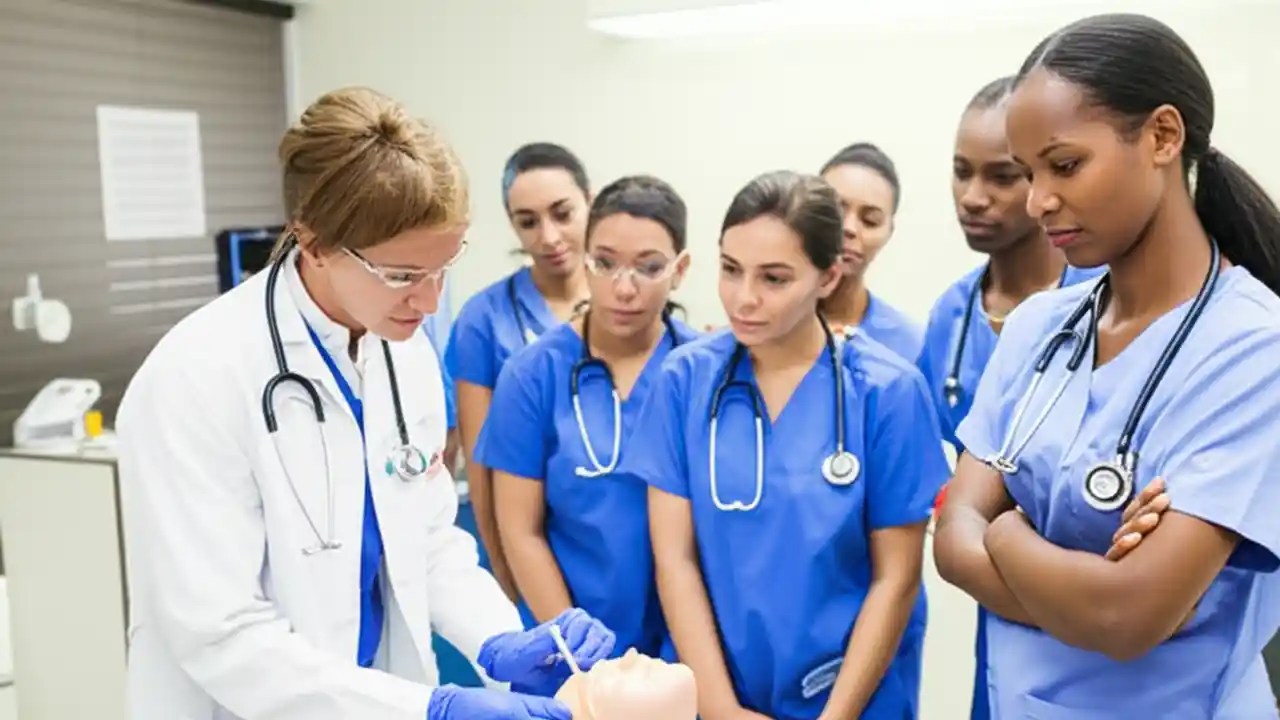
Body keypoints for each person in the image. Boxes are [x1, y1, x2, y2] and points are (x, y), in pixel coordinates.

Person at [115, 87, 616, 720]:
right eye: (403, 275)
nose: (431, 302)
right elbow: (219, 631)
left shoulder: (399, 350)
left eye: (443, 267)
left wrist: (498, 638)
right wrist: (432, 709)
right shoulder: (195, 378)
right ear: (314, 241)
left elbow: (429, 539)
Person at [933, 13, 1280, 717]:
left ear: (1162, 136)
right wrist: (1078, 591)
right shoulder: (1039, 327)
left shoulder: (1253, 349)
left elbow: (1127, 618)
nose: (1037, 202)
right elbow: (950, 542)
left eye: (1064, 166)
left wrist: (1003, 532)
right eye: (1030, 174)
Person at [623, 170, 949, 719]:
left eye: (774, 278)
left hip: (852, 699)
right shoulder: (684, 381)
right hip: (716, 690)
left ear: (828, 277)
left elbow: (896, 578)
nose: (743, 298)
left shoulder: (886, 393)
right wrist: (723, 712)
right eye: (730, 270)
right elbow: (674, 560)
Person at [914, 75, 1104, 720]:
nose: (973, 197)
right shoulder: (951, 316)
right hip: (998, 613)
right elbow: (938, 482)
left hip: (1105, 620)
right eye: (961, 172)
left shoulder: (1107, 303)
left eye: (1001, 177)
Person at [475, 175, 699, 663]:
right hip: (570, 641)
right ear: (585, 258)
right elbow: (520, 529)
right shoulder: (533, 375)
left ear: (680, 270)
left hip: (690, 648)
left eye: (649, 267)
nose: (623, 287)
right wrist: (579, 655)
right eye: (604, 263)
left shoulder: (704, 374)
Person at [447, 143, 592, 608]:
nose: (549, 236)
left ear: (591, 201)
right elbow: (482, 468)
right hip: (535, 554)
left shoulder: (627, 304)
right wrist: (508, 587)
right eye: (528, 221)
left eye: (563, 213)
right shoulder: (484, 320)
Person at [818, 143, 924, 361]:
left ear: (889, 233)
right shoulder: (766, 326)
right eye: (836, 211)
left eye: (870, 221)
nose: (849, 228)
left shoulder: (910, 348)